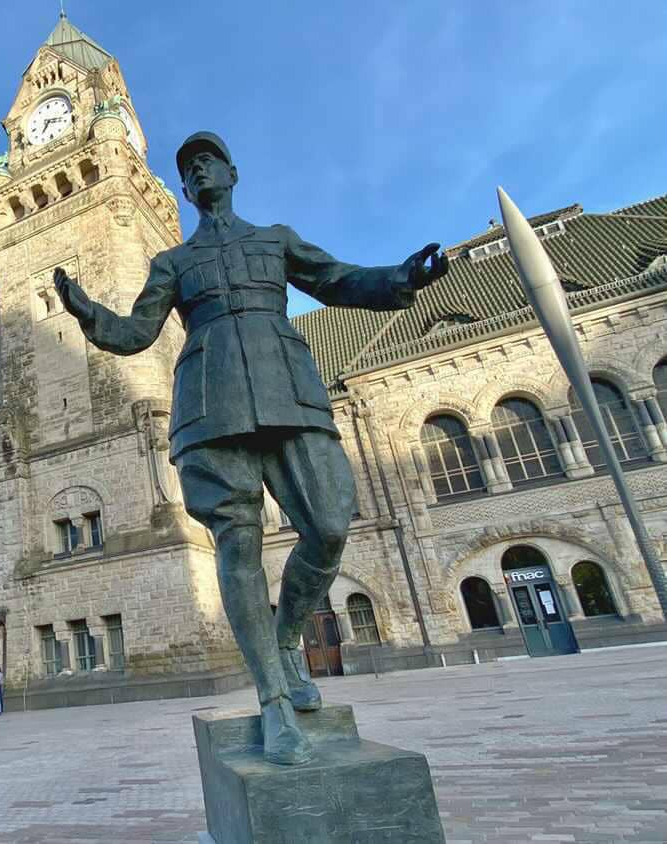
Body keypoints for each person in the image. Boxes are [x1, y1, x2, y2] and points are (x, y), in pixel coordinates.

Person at [54, 131, 447, 765]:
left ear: (232, 173)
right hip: (210, 404)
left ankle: (287, 640)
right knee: (236, 542)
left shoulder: (276, 239)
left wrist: (402, 277)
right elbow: (134, 334)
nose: (198, 171)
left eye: (207, 160)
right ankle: (272, 699)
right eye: (188, 168)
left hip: (288, 388)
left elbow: (339, 279)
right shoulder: (173, 263)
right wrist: (84, 310)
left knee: (328, 524)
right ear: (184, 189)